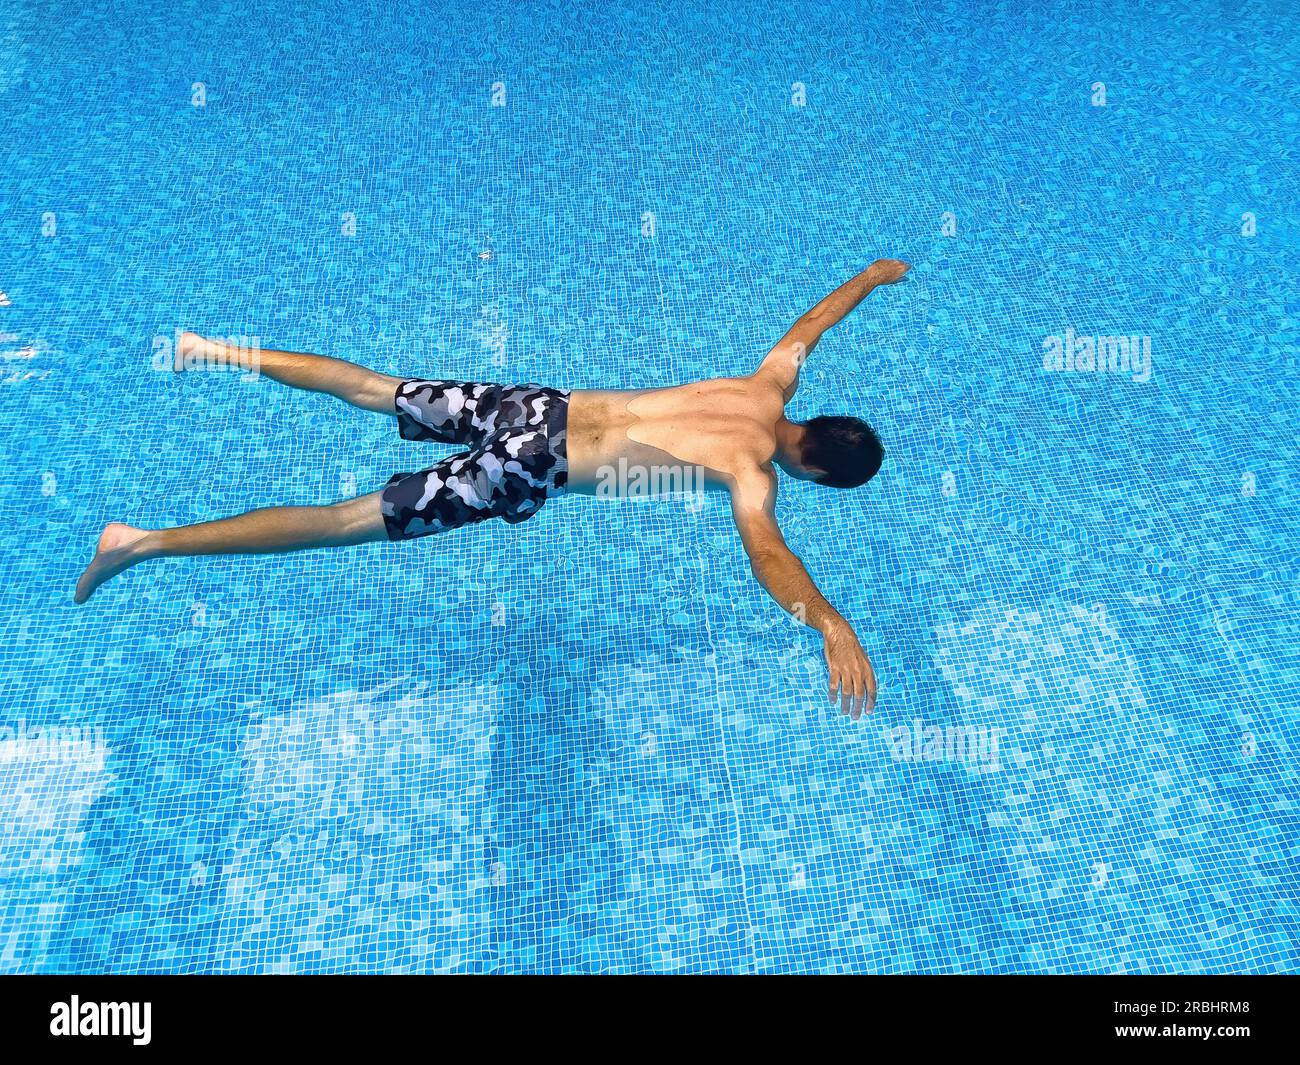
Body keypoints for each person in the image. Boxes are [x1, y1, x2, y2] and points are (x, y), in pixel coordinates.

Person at [75, 258, 911, 717]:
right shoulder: (751, 474)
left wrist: (870, 279)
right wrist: (829, 621)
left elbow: (812, 324)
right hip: (522, 467)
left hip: (538, 404)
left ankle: (210, 348)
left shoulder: (769, 386)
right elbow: (768, 556)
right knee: (339, 522)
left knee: (372, 386)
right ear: (817, 473)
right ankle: (143, 542)